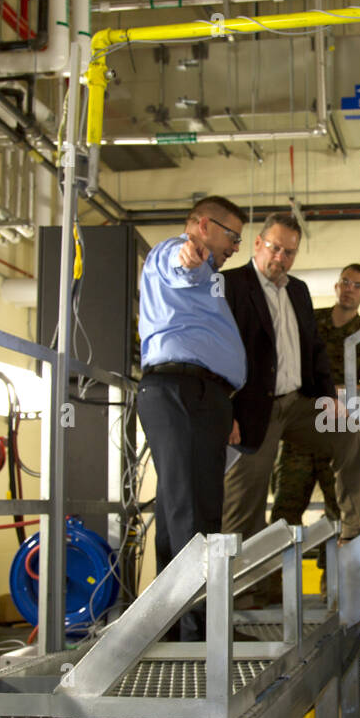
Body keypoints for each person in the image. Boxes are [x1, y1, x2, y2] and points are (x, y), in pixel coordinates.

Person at [221, 215, 360, 554]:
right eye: (275, 248)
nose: (281, 258)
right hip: (252, 408)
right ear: (258, 243)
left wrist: (328, 398)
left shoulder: (298, 290)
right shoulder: (230, 285)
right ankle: (241, 593)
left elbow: (315, 350)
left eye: (290, 252)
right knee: (244, 504)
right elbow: (213, 351)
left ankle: (358, 530)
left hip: (298, 403)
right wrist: (224, 410)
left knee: (349, 430)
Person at [136, 196, 248, 641]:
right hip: (183, 392)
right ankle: (199, 634)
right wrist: (190, 256)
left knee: (186, 513)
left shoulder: (210, 284)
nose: (235, 247)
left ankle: (176, 628)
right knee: (192, 517)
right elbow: (182, 265)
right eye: (231, 236)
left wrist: (225, 404)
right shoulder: (177, 254)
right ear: (203, 226)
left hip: (202, 397)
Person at [270, 264, 360, 535]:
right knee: (283, 516)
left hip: (338, 432)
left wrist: (329, 392)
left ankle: (336, 578)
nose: (350, 289)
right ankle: (273, 577)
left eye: (358, 286)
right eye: (346, 282)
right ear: (336, 286)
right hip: (298, 434)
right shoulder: (308, 322)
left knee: (342, 518)